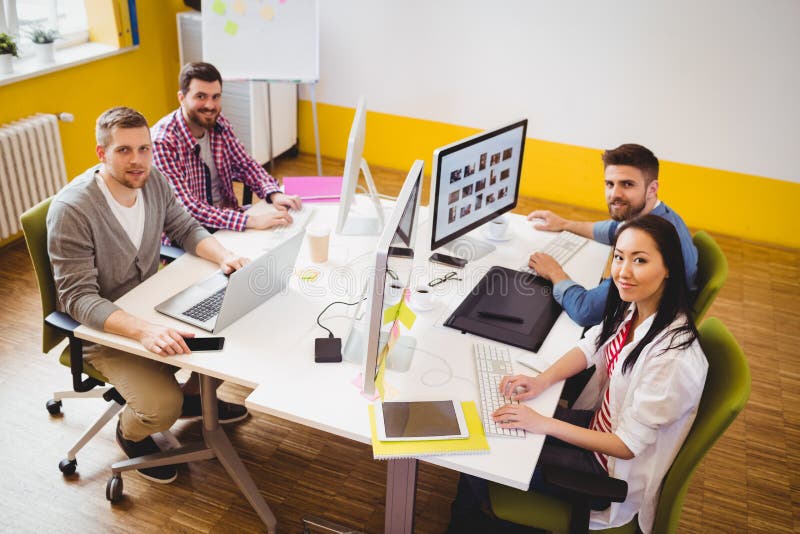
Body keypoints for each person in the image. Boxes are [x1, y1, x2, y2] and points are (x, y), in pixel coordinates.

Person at [449, 215, 708, 534]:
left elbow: (626, 445)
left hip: (605, 470)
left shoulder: (671, 358)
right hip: (597, 427)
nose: (623, 271)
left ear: (668, 268)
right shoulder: (639, 307)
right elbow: (592, 344)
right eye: (619, 257)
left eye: (640, 260)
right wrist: (541, 380)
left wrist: (543, 423)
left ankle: (477, 524)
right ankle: (468, 518)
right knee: (491, 423)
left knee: (484, 453)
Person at [48, 107, 252, 484]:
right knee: (161, 407)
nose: (137, 161)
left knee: (237, 327)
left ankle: (196, 398)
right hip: (103, 332)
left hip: (150, 306)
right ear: (101, 153)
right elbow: (78, 299)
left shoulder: (152, 180)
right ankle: (131, 431)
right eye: (124, 150)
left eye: (144, 149)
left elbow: (185, 228)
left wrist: (225, 257)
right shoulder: (72, 210)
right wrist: (144, 331)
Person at [527, 143, 698, 327]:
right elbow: (613, 229)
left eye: (627, 184)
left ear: (652, 189)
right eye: (610, 184)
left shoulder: (651, 237)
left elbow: (585, 311)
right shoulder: (656, 213)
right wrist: (564, 224)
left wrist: (555, 272)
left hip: (654, 323)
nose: (615, 194)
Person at [151, 61, 301, 233]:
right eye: (201, 96)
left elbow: (246, 164)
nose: (210, 105)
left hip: (228, 221)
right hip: (190, 234)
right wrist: (251, 221)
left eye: (215, 97)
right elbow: (188, 209)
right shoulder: (162, 143)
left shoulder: (218, 122)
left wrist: (274, 194)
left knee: (288, 229)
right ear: (182, 98)